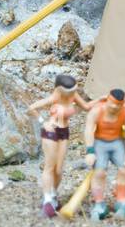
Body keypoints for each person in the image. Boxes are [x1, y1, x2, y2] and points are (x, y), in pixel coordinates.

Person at [27, 74, 95, 218]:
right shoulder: (54, 98)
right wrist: (42, 121)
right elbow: (32, 108)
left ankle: (53, 194)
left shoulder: (73, 96)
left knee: (58, 170)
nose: (71, 94)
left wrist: (103, 100)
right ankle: (47, 199)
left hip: (64, 132)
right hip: (51, 132)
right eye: (68, 91)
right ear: (60, 89)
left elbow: (87, 106)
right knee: (49, 166)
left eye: (73, 91)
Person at [83, 88, 125, 220]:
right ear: (107, 100)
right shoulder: (96, 111)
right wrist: (90, 151)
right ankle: (99, 203)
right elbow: (89, 130)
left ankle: (121, 200)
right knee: (100, 172)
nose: (114, 107)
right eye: (112, 103)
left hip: (117, 142)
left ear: (122, 104)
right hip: (99, 143)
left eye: (118, 104)